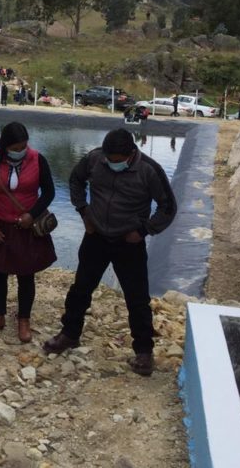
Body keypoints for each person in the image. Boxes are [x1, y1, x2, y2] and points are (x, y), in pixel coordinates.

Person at [43, 128, 177, 376]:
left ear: (130, 155)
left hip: (129, 242)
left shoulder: (149, 170)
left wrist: (145, 230)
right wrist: (83, 211)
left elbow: (168, 207)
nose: (111, 164)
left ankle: (144, 351)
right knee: (80, 288)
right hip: (96, 236)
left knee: (137, 299)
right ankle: (70, 334)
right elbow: (75, 180)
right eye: (109, 159)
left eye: (117, 161)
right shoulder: (94, 159)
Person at [0, 122, 56, 343]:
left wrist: (32, 214)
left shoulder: (38, 160)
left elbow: (48, 192)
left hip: (26, 226)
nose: (21, 151)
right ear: (5, 146)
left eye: (24, 146)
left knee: (26, 275)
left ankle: (24, 320)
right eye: (16, 148)